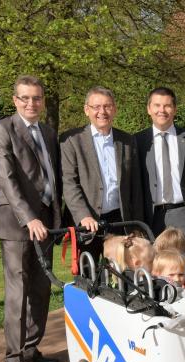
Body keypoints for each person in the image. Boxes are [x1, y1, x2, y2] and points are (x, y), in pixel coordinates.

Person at [0, 75, 62, 362]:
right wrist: (28, 217)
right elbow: (7, 179)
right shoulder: (2, 129)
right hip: (17, 223)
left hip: (46, 221)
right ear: (15, 99)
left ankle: (31, 348)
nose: (31, 103)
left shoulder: (47, 131)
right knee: (18, 291)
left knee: (41, 289)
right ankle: (13, 359)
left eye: (36, 98)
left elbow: (52, 175)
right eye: (25, 98)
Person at [61, 86, 144, 259]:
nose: (102, 112)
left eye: (107, 106)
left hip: (120, 221)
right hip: (88, 222)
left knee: (121, 275)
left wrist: (137, 224)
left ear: (114, 109)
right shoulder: (71, 140)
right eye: (96, 107)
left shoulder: (127, 141)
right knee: (88, 277)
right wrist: (83, 216)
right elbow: (69, 183)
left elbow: (135, 186)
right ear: (86, 110)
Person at [135, 87, 185, 239]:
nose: (162, 110)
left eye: (167, 105)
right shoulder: (137, 141)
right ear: (149, 109)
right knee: (156, 263)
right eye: (157, 105)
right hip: (151, 218)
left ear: (175, 109)